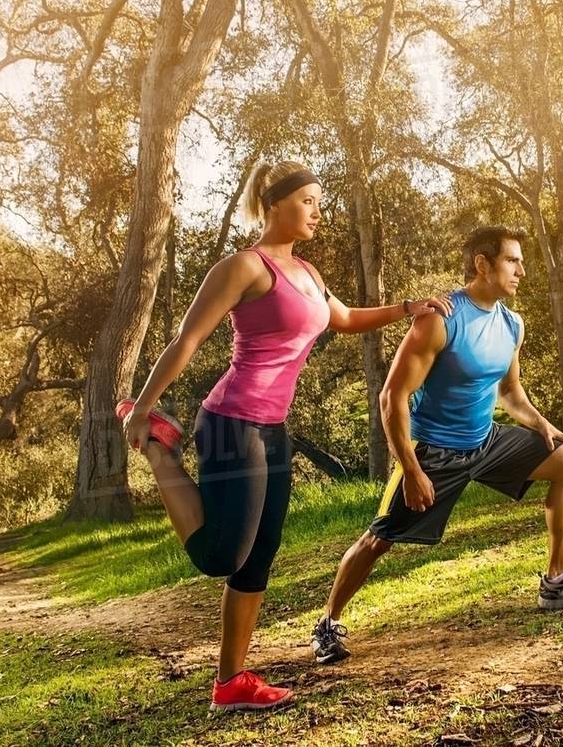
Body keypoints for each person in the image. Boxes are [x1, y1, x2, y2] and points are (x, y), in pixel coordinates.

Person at [116, 161, 452, 712]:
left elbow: (340, 318)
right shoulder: (243, 267)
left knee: (258, 558)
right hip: (230, 421)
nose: (319, 211)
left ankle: (230, 683)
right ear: (275, 205)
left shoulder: (310, 274)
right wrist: (144, 407)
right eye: (308, 201)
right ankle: (159, 448)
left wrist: (405, 309)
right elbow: (187, 339)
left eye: (320, 201)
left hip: (273, 429)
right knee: (223, 555)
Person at [310, 225, 563, 665]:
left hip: (487, 442)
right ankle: (327, 623)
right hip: (434, 452)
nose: (521, 271)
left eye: (520, 262)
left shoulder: (512, 324)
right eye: (512, 261)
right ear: (482, 264)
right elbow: (391, 398)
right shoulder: (439, 319)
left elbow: (511, 393)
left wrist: (544, 426)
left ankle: (558, 579)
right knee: (379, 540)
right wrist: (412, 469)